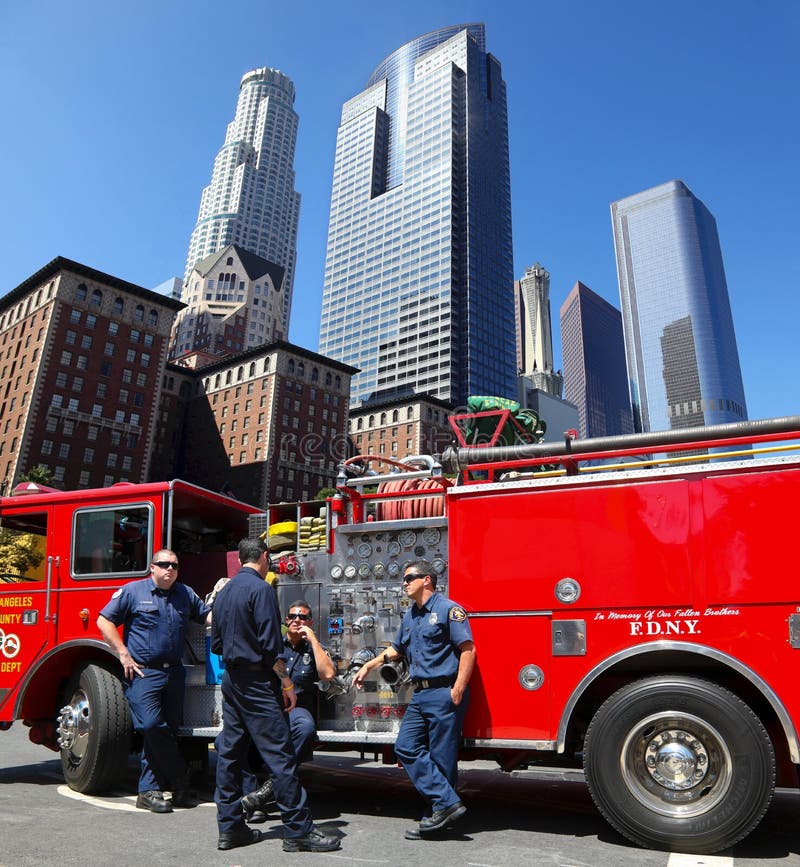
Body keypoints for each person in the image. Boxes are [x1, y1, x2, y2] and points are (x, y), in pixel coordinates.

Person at [211, 537, 340, 853]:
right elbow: (271, 646)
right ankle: (297, 830)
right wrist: (286, 684)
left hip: (232, 680)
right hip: (257, 682)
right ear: (264, 558)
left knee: (230, 754)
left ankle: (230, 829)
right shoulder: (262, 590)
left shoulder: (224, 592)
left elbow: (215, 644)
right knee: (280, 756)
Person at [354, 560, 476, 840]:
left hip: (444, 692)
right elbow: (397, 649)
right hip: (420, 694)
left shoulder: (448, 610)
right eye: (404, 578)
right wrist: (368, 666)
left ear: (427, 580)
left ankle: (437, 817)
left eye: (409, 577)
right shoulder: (411, 616)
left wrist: (458, 687)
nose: (404, 583)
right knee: (406, 747)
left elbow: (468, 649)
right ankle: (446, 803)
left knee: (442, 758)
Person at [97, 549, 209, 813]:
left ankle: (148, 791)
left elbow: (207, 616)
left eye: (174, 565)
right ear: (152, 567)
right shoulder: (133, 591)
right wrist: (122, 653)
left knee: (165, 732)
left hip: (174, 674)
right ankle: (180, 779)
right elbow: (104, 620)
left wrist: (234, 614)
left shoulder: (185, 593)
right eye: (164, 564)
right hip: (143, 673)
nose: (169, 569)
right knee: (151, 726)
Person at [240, 599, 336, 822]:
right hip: (269, 708)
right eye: (292, 616)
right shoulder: (274, 646)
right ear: (285, 620)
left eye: (302, 617)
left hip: (298, 709)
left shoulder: (314, 649)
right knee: (230, 740)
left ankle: (269, 788)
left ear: (310, 621)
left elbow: (328, 674)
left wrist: (312, 639)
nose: (297, 621)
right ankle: (252, 800)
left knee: (305, 728)